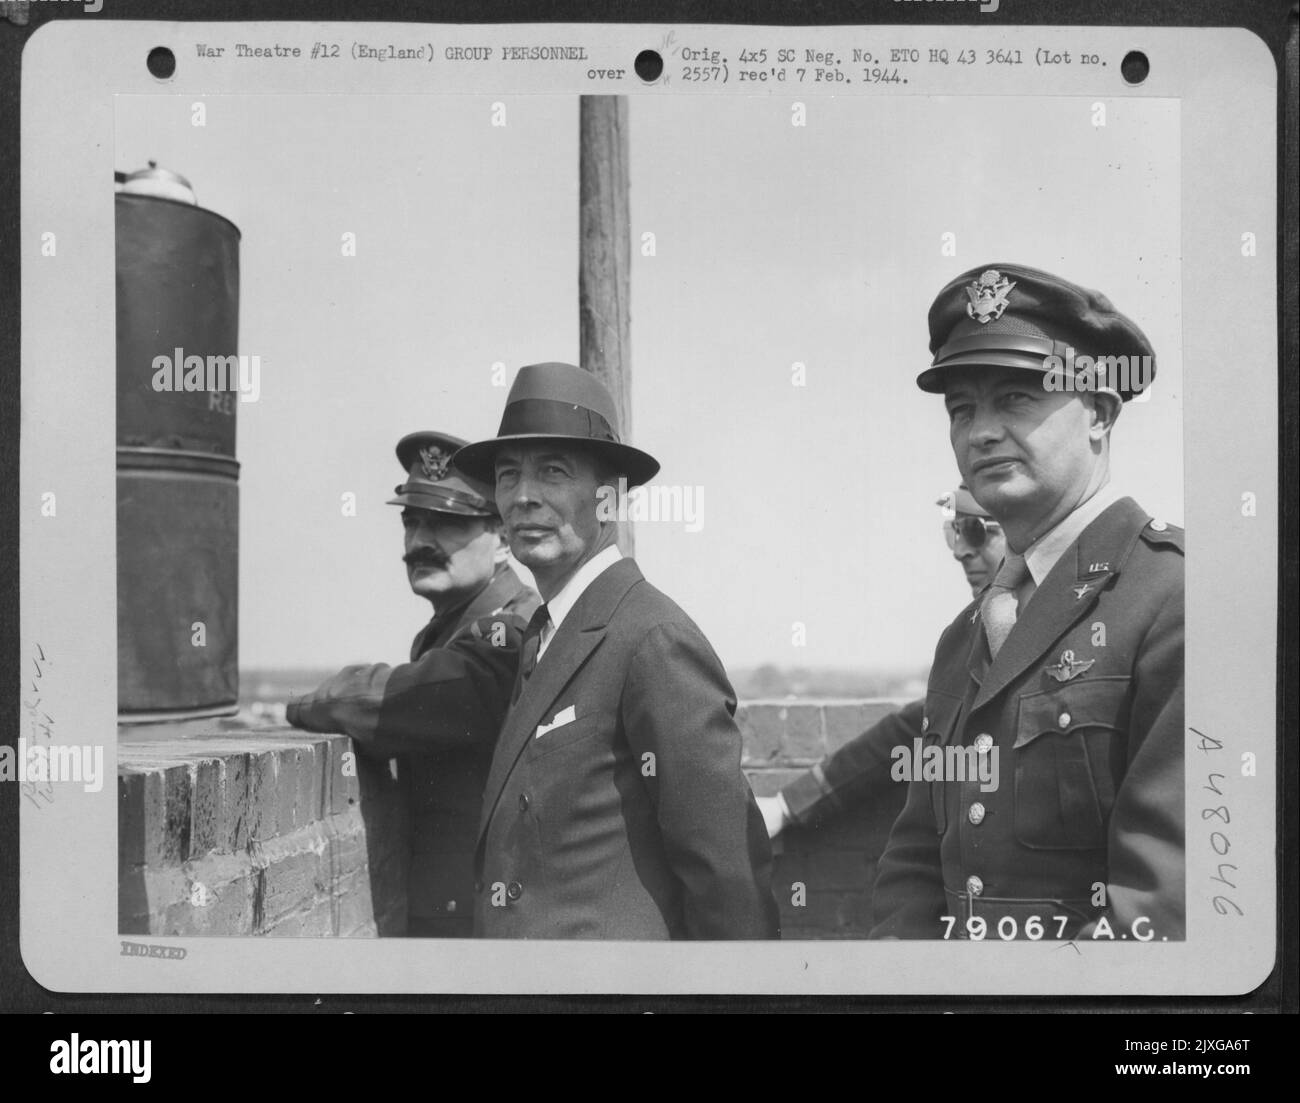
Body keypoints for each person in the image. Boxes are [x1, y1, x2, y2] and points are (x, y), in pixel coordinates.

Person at [871, 264, 1184, 942]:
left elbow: (1161, 908)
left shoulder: (1174, 598)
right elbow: (915, 863)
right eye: (962, 409)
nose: (980, 432)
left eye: (1015, 398)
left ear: (1099, 413)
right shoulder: (965, 636)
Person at [446, 361, 779, 939]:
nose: (523, 497)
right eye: (507, 475)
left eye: (553, 472)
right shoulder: (546, 632)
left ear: (611, 496)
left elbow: (729, 879)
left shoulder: (651, 639)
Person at [287, 432, 539, 937]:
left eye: (446, 523)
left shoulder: (512, 633)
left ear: (503, 539)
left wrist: (300, 705)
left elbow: (390, 703)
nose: (420, 541)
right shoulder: (448, 631)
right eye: (412, 522)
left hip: (494, 929)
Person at [757, 484, 1006, 836]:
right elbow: (915, 729)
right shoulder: (973, 632)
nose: (960, 551)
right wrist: (786, 806)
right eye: (954, 532)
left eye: (975, 531)